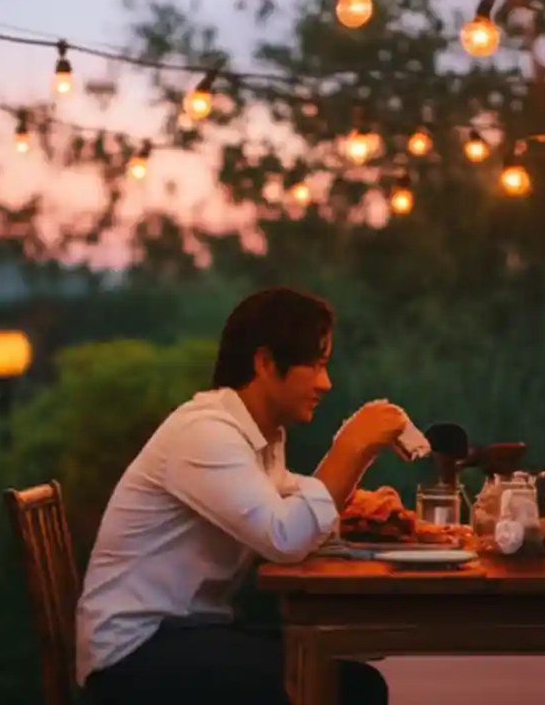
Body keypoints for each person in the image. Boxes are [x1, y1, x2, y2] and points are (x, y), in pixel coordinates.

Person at [76, 286, 407, 705]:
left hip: (190, 632)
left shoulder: (260, 437)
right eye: (316, 364)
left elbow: (288, 504)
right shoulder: (207, 433)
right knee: (335, 688)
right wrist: (351, 447)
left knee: (349, 680)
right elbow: (284, 537)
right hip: (134, 651)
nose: (326, 383)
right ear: (266, 363)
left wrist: (352, 492)